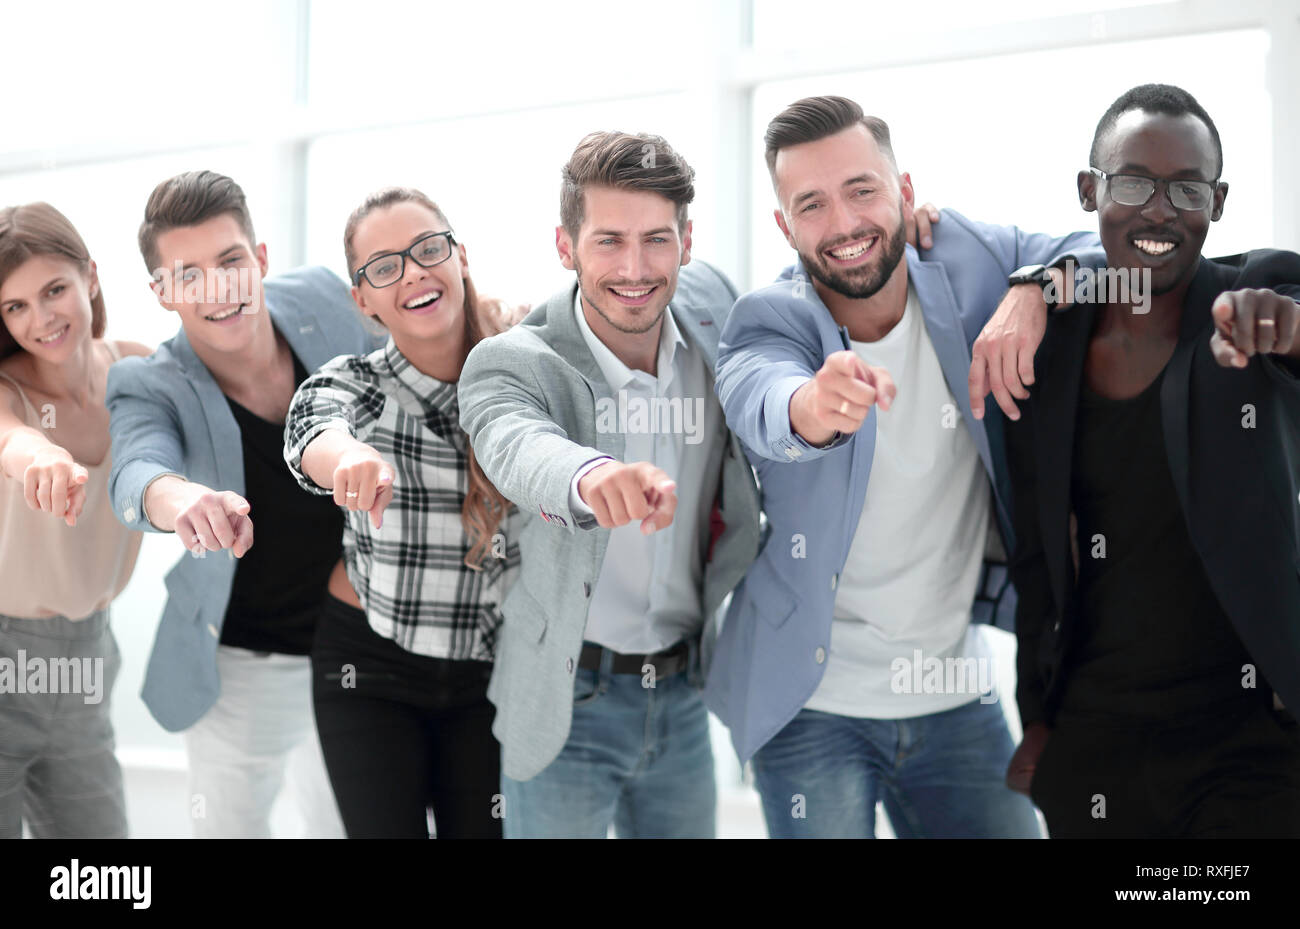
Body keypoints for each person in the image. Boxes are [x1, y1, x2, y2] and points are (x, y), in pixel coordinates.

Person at [706, 95, 1101, 838]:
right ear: (784, 227)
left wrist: (1037, 287)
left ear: (906, 192)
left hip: (956, 688)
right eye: (812, 205)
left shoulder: (970, 260)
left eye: (863, 190)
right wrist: (814, 407)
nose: (845, 223)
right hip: (811, 703)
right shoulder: (769, 320)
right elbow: (762, 400)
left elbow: (1108, 247)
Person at [1003, 83, 1300, 838]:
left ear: (1219, 201)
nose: (1159, 209)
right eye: (1132, 182)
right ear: (1088, 190)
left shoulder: (1255, 293)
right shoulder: (1051, 347)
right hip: (1097, 741)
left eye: (1187, 188)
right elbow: (1036, 550)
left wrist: (1285, 327)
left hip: (1250, 741)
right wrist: (1037, 717)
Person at [458, 130, 764, 838]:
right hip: (567, 698)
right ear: (565, 247)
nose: (635, 267)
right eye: (608, 241)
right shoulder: (514, 361)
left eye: (658, 239)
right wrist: (592, 473)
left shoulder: (714, 305)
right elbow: (518, 445)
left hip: (682, 694)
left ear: (688, 242)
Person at [106, 170, 380, 838]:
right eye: (189, 273)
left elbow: (417, 344)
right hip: (241, 661)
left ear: (259, 259)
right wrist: (182, 499)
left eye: (230, 261)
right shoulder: (150, 383)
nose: (219, 288)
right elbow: (138, 471)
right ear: (163, 291)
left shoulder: (324, 296)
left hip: (362, 641)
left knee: (358, 821)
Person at [283, 187, 520, 839]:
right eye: (384, 266)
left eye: (427, 249)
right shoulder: (357, 381)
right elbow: (313, 429)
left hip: (485, 668)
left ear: (460, 256)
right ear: (363, 299)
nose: (413, 271)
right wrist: (347, 461)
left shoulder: (522, 361)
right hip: (370, 665)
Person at [0, 202, 149, 839]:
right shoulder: (8, 390)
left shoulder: (139, 370)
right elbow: (13, 440)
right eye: (15, 306)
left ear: (90, 275)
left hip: (88, 657)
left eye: (54, 289)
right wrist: (42, 455)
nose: (42, 318)